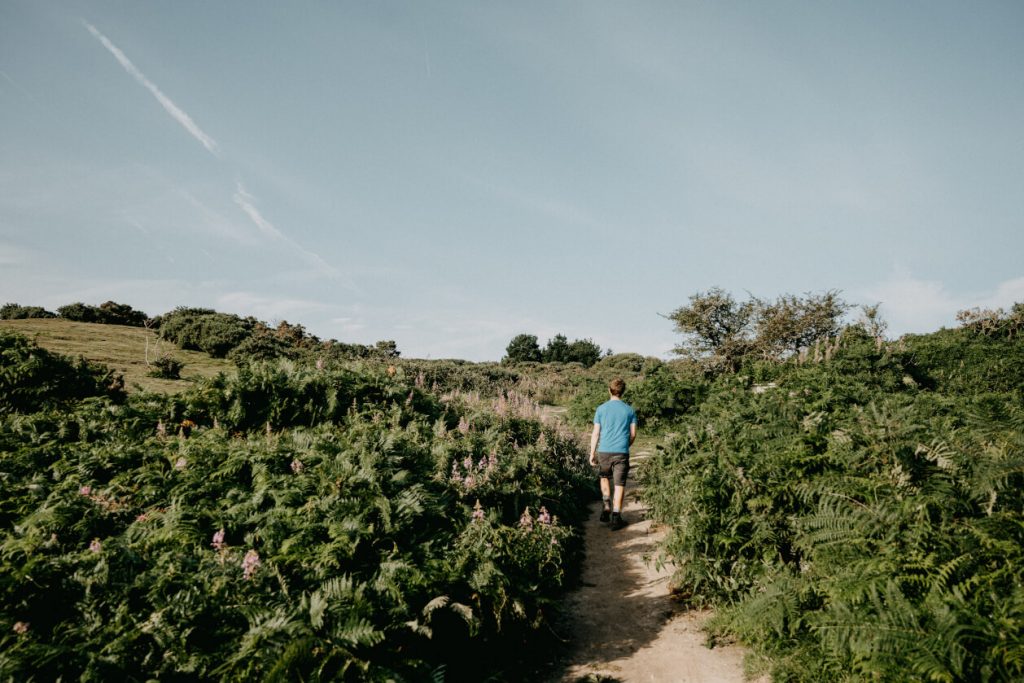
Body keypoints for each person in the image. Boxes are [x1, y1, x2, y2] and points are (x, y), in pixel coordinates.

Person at [589, 377, 637, 530]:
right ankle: (616, 517)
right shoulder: (629, 410)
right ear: (623, 392)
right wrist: (625, 445)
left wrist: (592, 453)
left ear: (609, 390)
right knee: (619, 484)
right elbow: (633, 434)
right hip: (621, 452)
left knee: (604, 478)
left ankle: (606, 505)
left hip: (604, 451)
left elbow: (596, 433)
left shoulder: (601, 409)